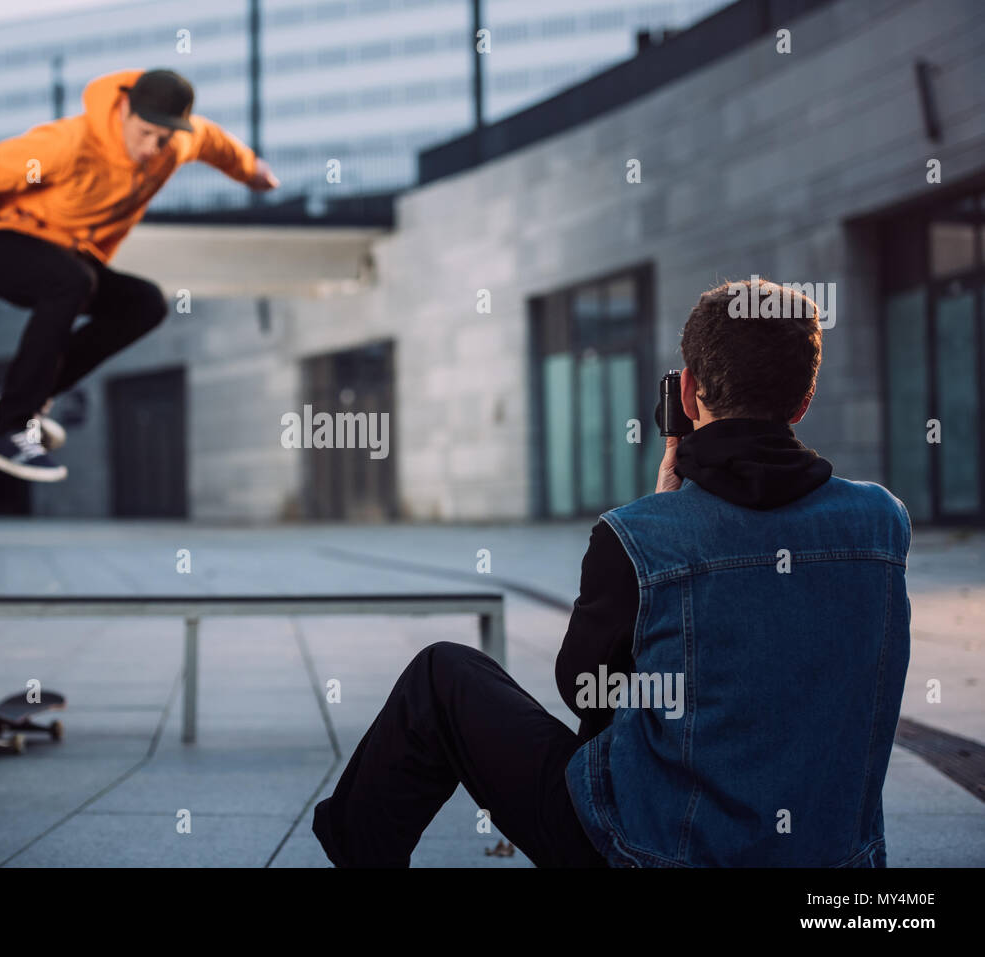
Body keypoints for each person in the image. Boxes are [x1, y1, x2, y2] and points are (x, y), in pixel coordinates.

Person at [312, 278, 912, 867]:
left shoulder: (639, 536)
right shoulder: (883, 522)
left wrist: (664, 515)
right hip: (840, 867)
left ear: (688, 391)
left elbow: (588, 695)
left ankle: (357, 853)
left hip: (648, 853)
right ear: (803, 401)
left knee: (442, 673)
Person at [0, 68, 279, 482]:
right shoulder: (68, 145)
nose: (152, 148)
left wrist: (251, 170)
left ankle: (26, 396)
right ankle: (9, 430)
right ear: (124, 112)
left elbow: (217, 145)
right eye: (144, 133)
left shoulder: (179, 143)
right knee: (72, 281)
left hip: (68, 253)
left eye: (163, 138)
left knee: (144, 304)